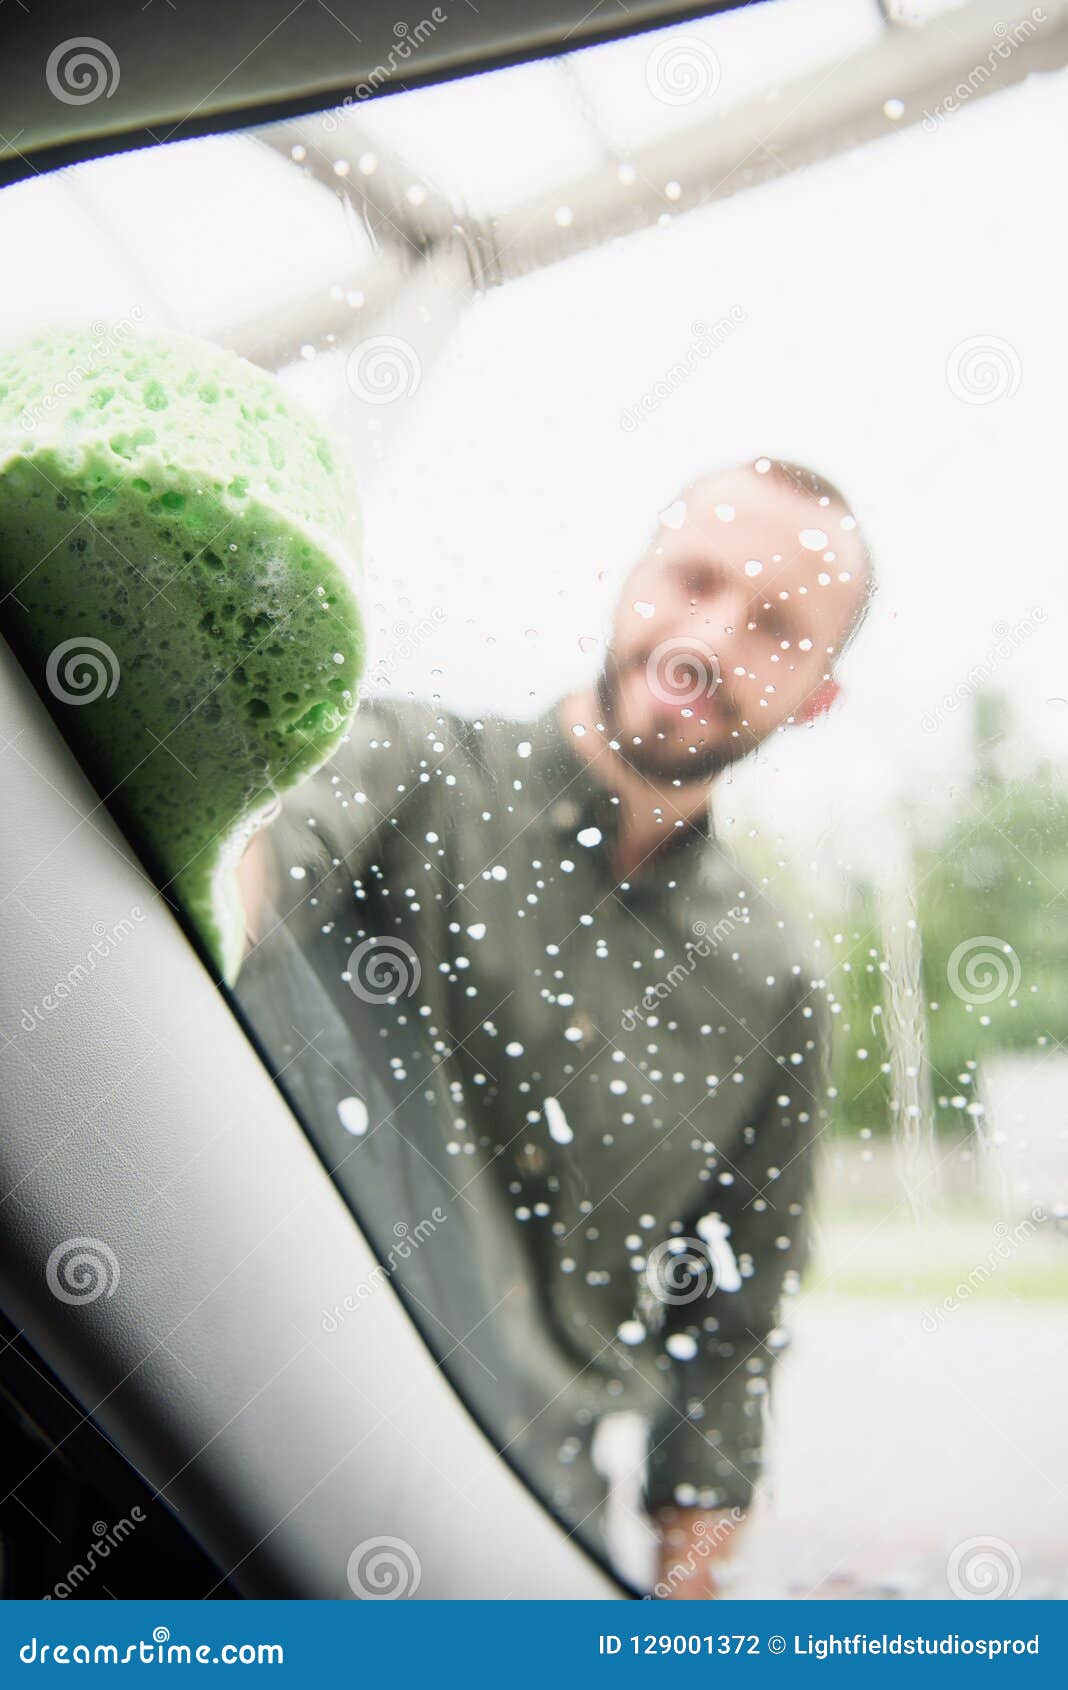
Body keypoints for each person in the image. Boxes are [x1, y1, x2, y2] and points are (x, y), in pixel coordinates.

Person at [236, 456, 872, 1596]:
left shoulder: (777, 981)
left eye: (776, 626)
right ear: (629, 578)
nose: (711, 641)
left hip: (527, 1534)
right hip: (243, 1442)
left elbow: (733, 1315)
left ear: (817, 693)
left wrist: (687, 1602)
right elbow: (244, 859)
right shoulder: (408, 766)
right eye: (694, 580)